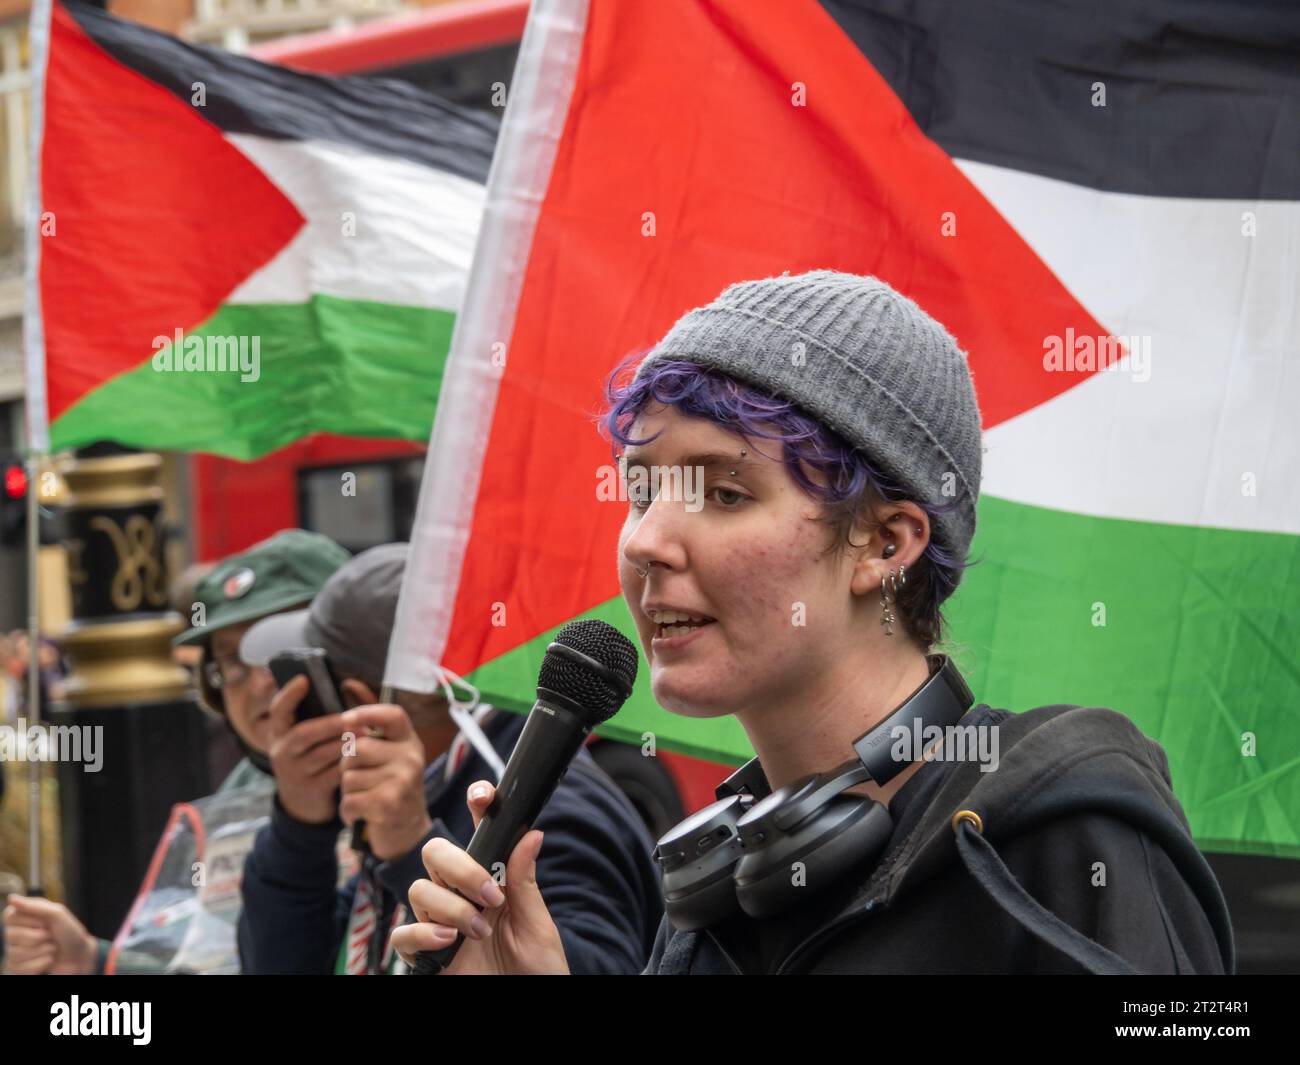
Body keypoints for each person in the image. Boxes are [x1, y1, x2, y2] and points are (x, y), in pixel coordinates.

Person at [389, 269, 1235, 975]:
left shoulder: (1059, 833)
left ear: (885, 543)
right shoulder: (711, 904)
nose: (646, 541)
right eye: (640, 492)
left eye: (724, 492)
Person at [237, 542, 663, 975]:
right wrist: (300, 826)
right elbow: (286, 961)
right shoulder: (433, 789)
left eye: (309, 690)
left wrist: (413, 845)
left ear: (358, 703)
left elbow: (606, 965)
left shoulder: (543, 807)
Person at [2, 529, 350, 975]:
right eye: (234, 663)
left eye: (278, 650)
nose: (260, 682)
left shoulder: (417, 768)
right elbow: (216, 965)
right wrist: (94, 959)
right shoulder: (237, 796)